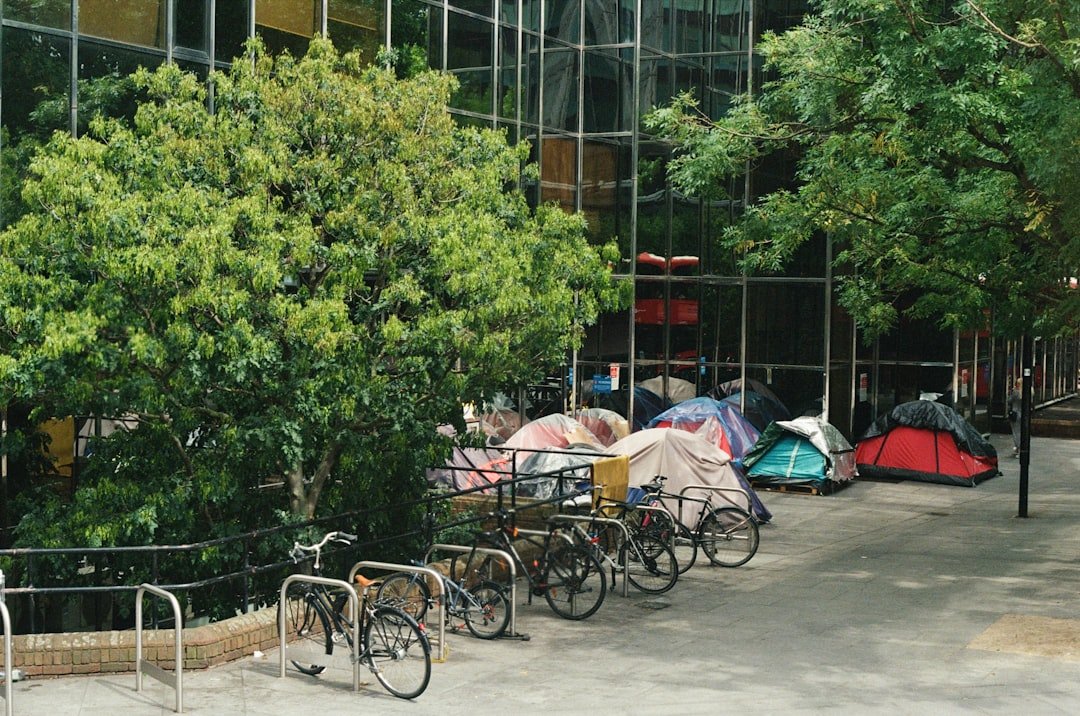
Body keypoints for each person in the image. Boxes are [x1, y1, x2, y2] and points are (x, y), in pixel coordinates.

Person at [1008, 378, 1023, 457]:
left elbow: (1009, 401)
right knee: (1022, 431)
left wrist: (1011, 392)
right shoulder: (1030, 391)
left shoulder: (1016, 392)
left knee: (1016, 432)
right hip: (1023, 414)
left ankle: (1018, 448)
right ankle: (1021, 448)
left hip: (1015, 413)